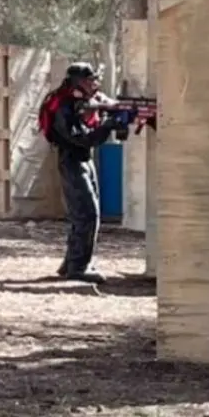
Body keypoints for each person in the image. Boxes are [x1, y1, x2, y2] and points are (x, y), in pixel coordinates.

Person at [38, 62, 128, 283]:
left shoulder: (84, 99)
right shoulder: (64, 105)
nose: (94, 84)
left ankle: (71, 263)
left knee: (86, 214)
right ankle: (79, 267)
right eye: (90, 80)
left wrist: (122, 110)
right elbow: (80, 138)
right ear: (77, 82)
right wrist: (107, 126)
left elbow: (107, 103)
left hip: (83, 160)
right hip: (72, 160)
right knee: (87, 214)